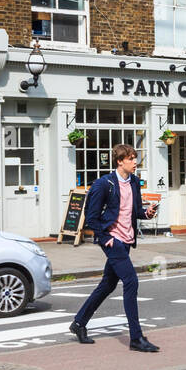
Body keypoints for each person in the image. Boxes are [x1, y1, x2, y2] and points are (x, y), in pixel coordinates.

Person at [70, 144, 160, 352]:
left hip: (127, 239)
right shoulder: (104, 184)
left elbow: (136, 211)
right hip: (114, 241)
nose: (135, 162)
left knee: (108, 284)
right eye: (130, 158)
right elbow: (91, 217)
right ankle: (136, 338)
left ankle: (79, 323)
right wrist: (105, 238)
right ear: (119, 161)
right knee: (131, 281)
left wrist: (147, 213)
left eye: (135, 158)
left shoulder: (135, 182)